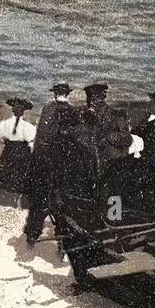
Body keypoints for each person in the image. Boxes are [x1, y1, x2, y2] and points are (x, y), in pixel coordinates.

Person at [27, 82, 91, 244]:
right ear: (67, 94)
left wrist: (37, 161)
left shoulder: (47, 108)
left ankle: (32, 234)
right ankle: (62, 235)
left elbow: (40, 139)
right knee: (62, 199)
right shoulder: (72, 111)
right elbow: (77, 140)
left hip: (44, 161)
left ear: (55, 94)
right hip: (62, 164)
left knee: (40, 197)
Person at [0, 96, 36, 194]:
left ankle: (16, 192)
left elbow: (31, 141)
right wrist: (3, 141)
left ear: (23, 109)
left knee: (19, 173)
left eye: (20, 107)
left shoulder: (28, 126)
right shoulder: (6, 123)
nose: (17, 109)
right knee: (7, 172)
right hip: (10, 149)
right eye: (15, 106)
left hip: (21, 150)